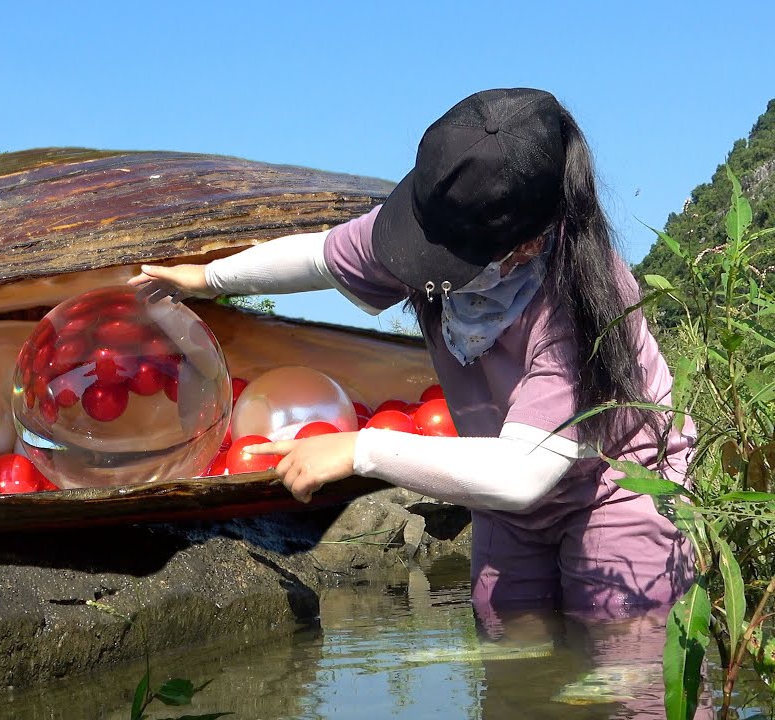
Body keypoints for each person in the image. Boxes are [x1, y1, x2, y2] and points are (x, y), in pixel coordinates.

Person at [129, 88, 695, 614]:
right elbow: (316, 258)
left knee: (621, 643)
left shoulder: (581, 300)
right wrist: (205, 278)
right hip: (504, 488)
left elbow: (523, 474)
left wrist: (361, 450)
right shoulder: (422, 232)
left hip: (616, 481)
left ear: (526, 247)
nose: (423, 271)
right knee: (510, 642)